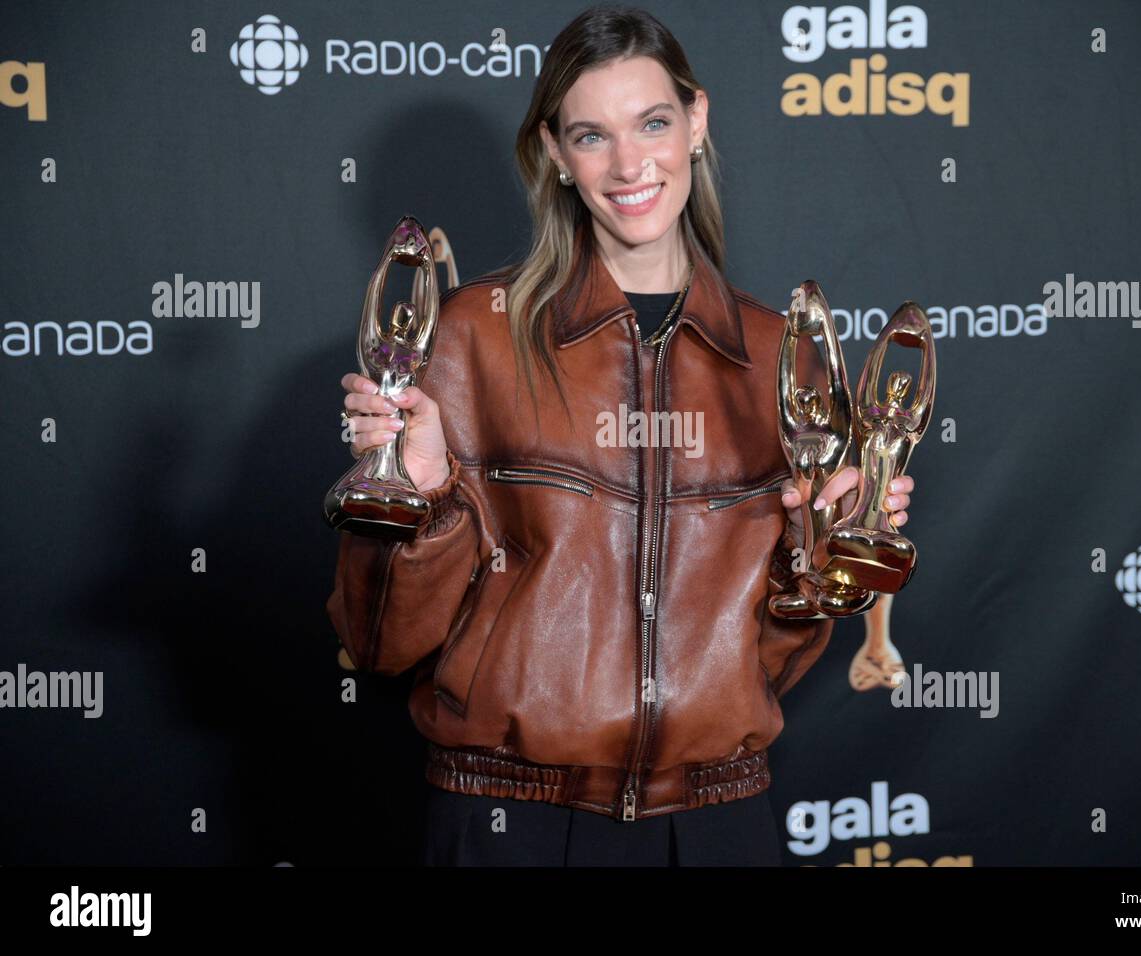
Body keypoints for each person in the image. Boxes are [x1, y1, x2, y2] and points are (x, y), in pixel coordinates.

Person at [326, 4, 916, 867]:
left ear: (697, 122)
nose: (630, 163)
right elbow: (382, 645)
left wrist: (820, 554)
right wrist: (414, 506)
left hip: (715, 822)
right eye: (592, 136)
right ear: (557, 156)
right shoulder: (470, 337)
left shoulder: (777, 357)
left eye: (653, 123)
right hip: (507, 819)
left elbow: (769, 660)